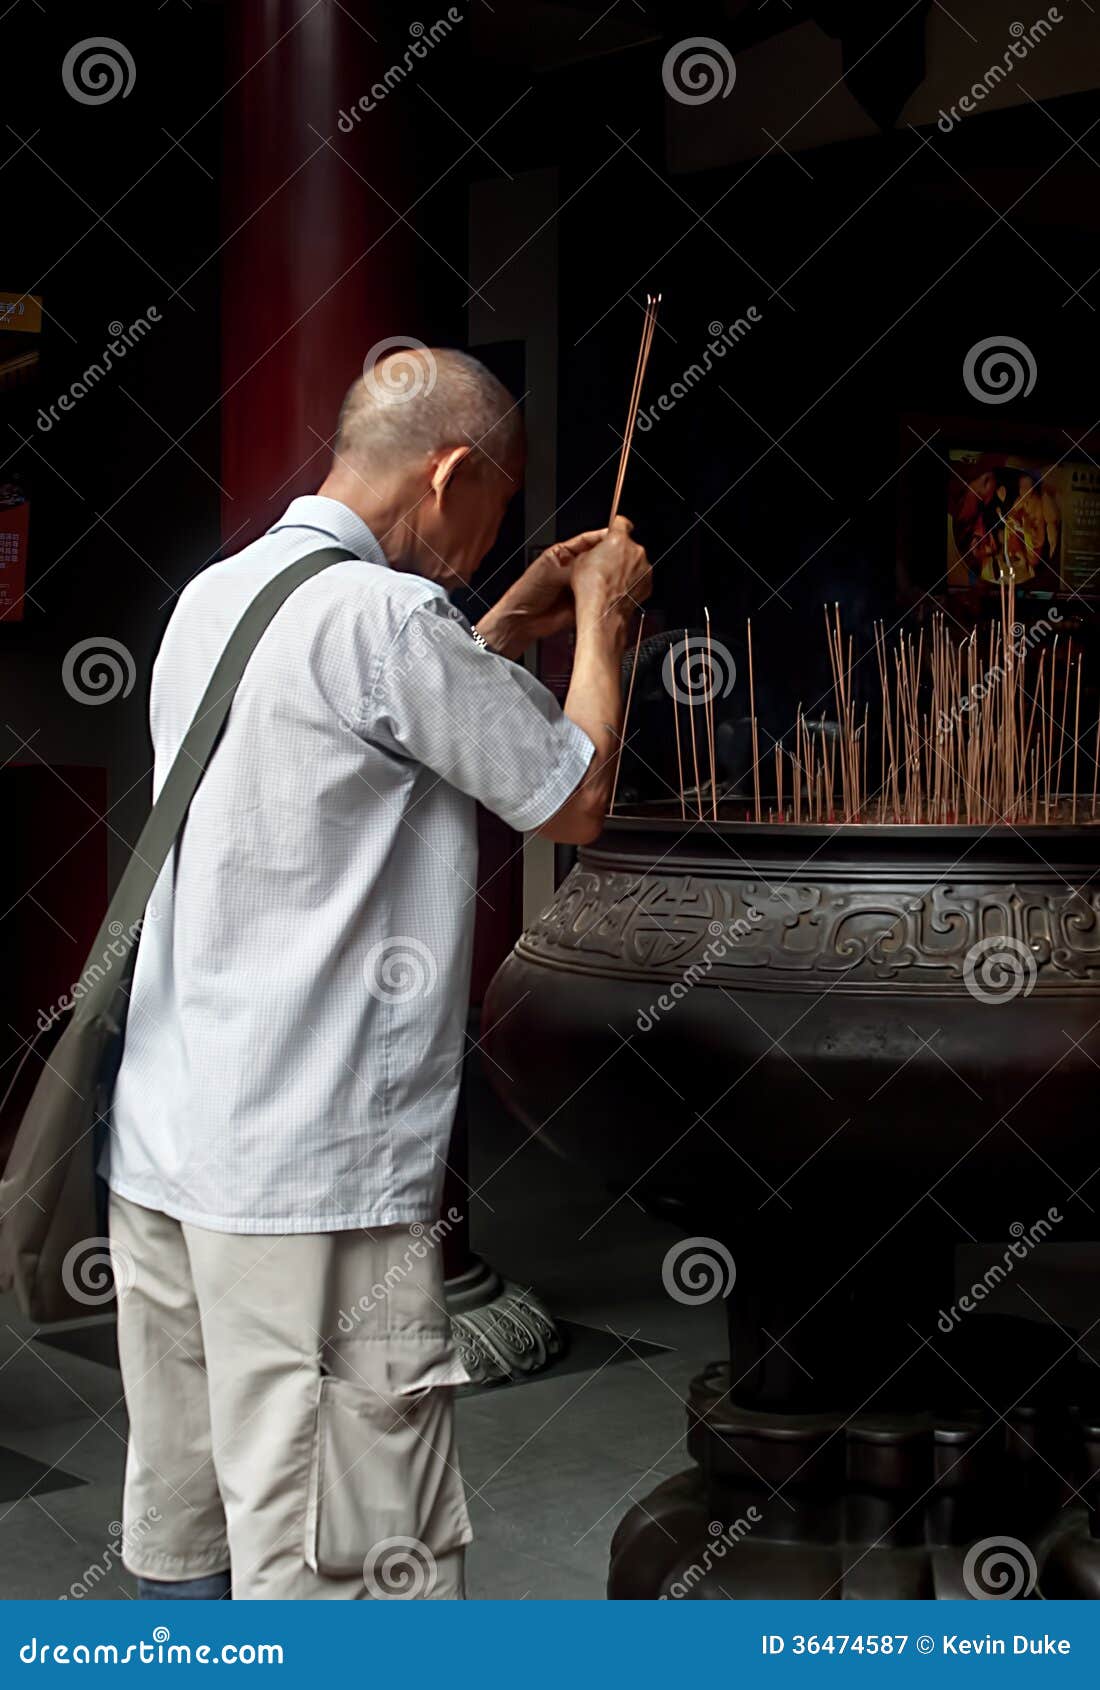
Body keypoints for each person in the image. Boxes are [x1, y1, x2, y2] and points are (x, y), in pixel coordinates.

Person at [104, 347, 651, 1600]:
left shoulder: (219, 595)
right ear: (449, 472)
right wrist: (605, 623)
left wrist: (509, 612)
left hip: (170, 1150)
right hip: (312, 1181)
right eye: (498, 499)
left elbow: (392, 715)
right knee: (344, 1569)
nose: (493, 530)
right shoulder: (389, 622)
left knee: (193, 1529)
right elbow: (571, 797)